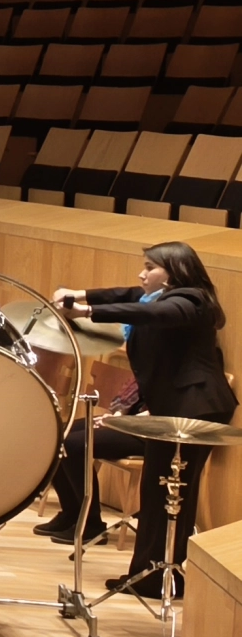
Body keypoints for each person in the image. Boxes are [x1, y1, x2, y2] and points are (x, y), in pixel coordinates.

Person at [45, 243, 237, 589]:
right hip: (176, 405)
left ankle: (158, 578)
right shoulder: (158, 296)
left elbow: (152, 314)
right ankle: (153, 574)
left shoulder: (192, 301)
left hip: (195, 406)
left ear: (174, 272)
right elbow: (125, 294)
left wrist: (87, 311)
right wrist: (78, 293)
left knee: (168, 491)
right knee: (159, 488)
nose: (141, 274)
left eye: (150, 267)